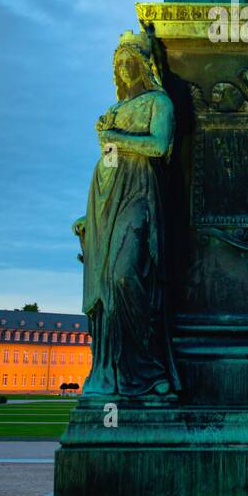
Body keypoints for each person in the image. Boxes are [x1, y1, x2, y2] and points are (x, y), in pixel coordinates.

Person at [74, 29, 180, 400]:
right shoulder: (115, 112)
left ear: (142, 64)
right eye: (118, 63)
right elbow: (107, 160)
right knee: (107, 287)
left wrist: (116, 138)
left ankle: (146, 369)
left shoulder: (159, 104)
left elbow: (159, 145)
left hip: (138, 194)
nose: (123, 67)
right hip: (106, 199)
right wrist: (92, 216)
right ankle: (114, 370)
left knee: (122, 277)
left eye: (129, 61)